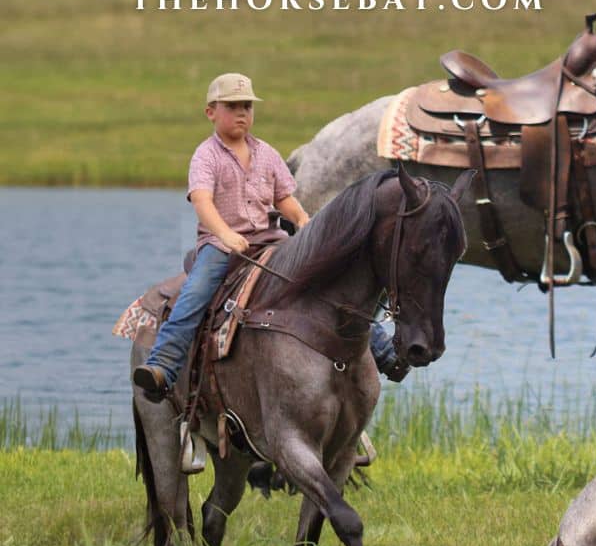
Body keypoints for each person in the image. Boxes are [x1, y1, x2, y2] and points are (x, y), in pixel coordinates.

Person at [132, 73, 407, 402]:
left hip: (271, 239)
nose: (241, 113)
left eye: (246, 106)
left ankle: (384, 351)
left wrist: (303, 219)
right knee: (196, 292)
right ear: (211, 112)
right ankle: (163, 364)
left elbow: (284, 198)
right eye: (232, 106)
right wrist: (225, 234)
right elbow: (203, 202)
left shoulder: (266, 153)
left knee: (326, 283)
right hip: (221, 247)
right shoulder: (205, 156)